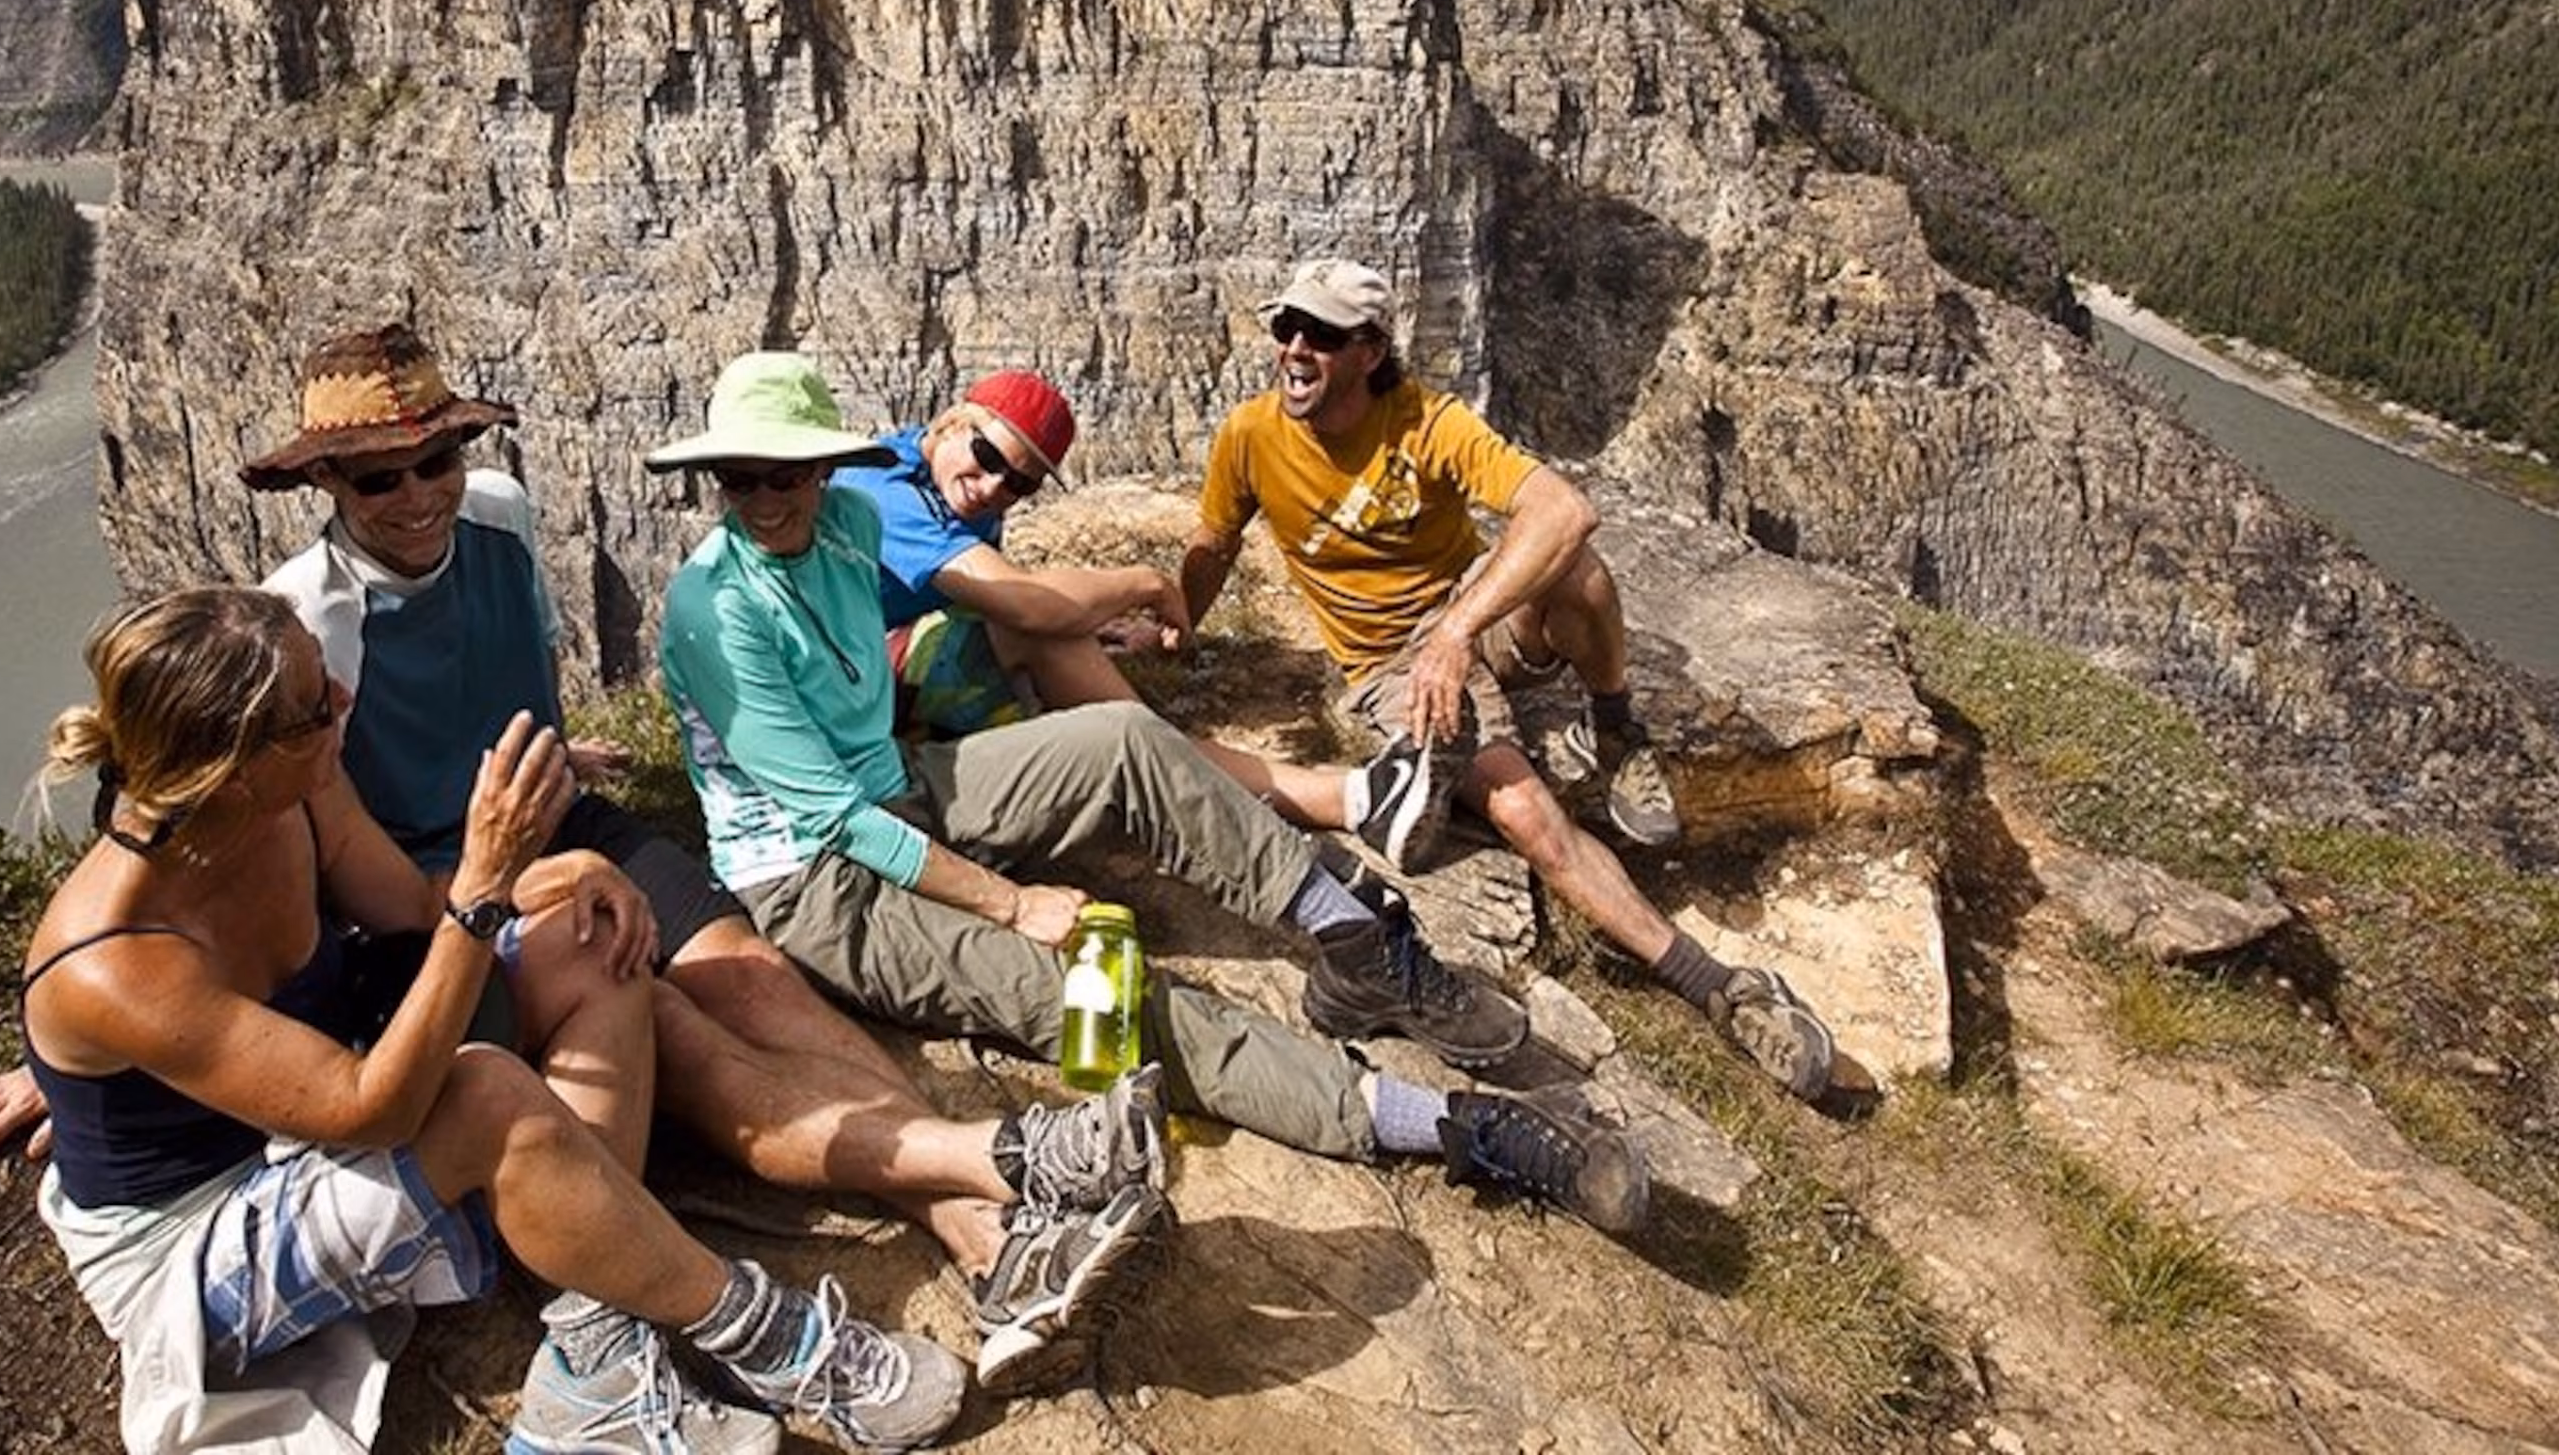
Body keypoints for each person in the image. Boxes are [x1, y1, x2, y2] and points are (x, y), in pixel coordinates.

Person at [0, 321, 1169, 1401]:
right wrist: (66, 1063)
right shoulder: (304, 627)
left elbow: (493, 691)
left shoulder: (504, 520)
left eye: (436, 459)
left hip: (546, 818)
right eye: (376, 479)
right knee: (680, 1029)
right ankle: (982, 1206)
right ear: (328, 489)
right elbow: (186, 847)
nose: (418, 494)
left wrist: (557, 798)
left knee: (750, 978)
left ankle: (978, 1230)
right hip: (438, 876)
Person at [649, 349, 1651, 1239]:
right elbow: (834, 819)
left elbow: (960, 644)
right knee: (1106, 995)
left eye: (784, 473)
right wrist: (1012, 901)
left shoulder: (852, 521)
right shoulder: (711, 608)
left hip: (902, 784)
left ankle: (1350, 939)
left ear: (826, 467)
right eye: (738, 478)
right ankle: (1446, 1126)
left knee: (1124, 738)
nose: (763, 497)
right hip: (822, 876)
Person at [2, 584, 964, 1455]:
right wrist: (484, 884)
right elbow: (369, 1108)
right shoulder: (113, 962)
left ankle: (595, 1353)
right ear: (235, 762)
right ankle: (774, 1340)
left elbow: (418, 915)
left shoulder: (293, 795)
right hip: (192, 1241)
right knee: (486, 1097)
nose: (343, 702)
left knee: (595, 946)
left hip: (307, 1109)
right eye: (314, 705)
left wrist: (554, 876)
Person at [1178, 258, 1839, 1103]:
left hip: (1467, 618)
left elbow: (1563, 510)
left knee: (1580, 571)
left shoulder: (1428, 423)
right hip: (1389, 662)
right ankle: (1715, 982)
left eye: (1323, 336)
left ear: (1372, 351)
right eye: (1287, 330)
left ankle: (1614, 727)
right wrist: (1177, 624)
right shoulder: (1250, 436)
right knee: (1527, 810)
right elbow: (1216, 542)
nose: (1295, 350)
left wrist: (1456, 631)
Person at [836, 367, 1455, 862]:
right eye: (987, 455)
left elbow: (981, 593)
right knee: (1044, 638)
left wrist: (1092, 621)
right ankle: (1329, 798)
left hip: (871, 680)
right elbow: (1022, 600)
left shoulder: (941, 475)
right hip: (848, 709)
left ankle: (1308, 794)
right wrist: (1146, 583)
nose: (994, 486)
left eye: (1020, 485)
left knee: (1054, 640)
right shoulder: (889, 494)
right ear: (952, 421)